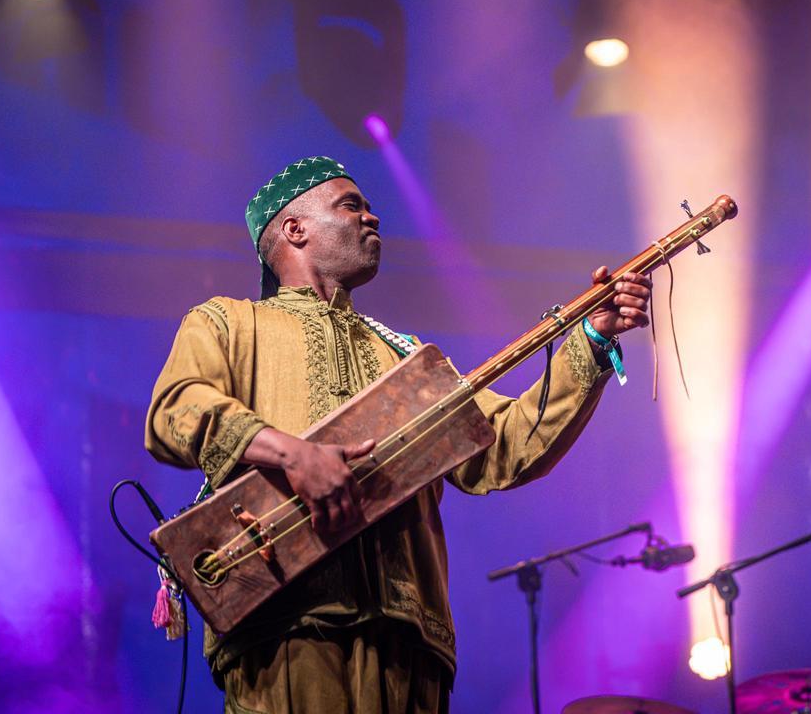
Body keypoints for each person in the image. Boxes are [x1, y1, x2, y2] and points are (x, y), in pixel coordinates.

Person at [144, 156, 652, 714]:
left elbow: (506, 447)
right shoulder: (228, 322)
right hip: (286, 631)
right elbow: (175, 410)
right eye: (351, 204)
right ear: (295, 229)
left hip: (410, 642)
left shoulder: (406, 355)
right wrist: (293, 456)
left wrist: (593, 340)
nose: (373, 217)